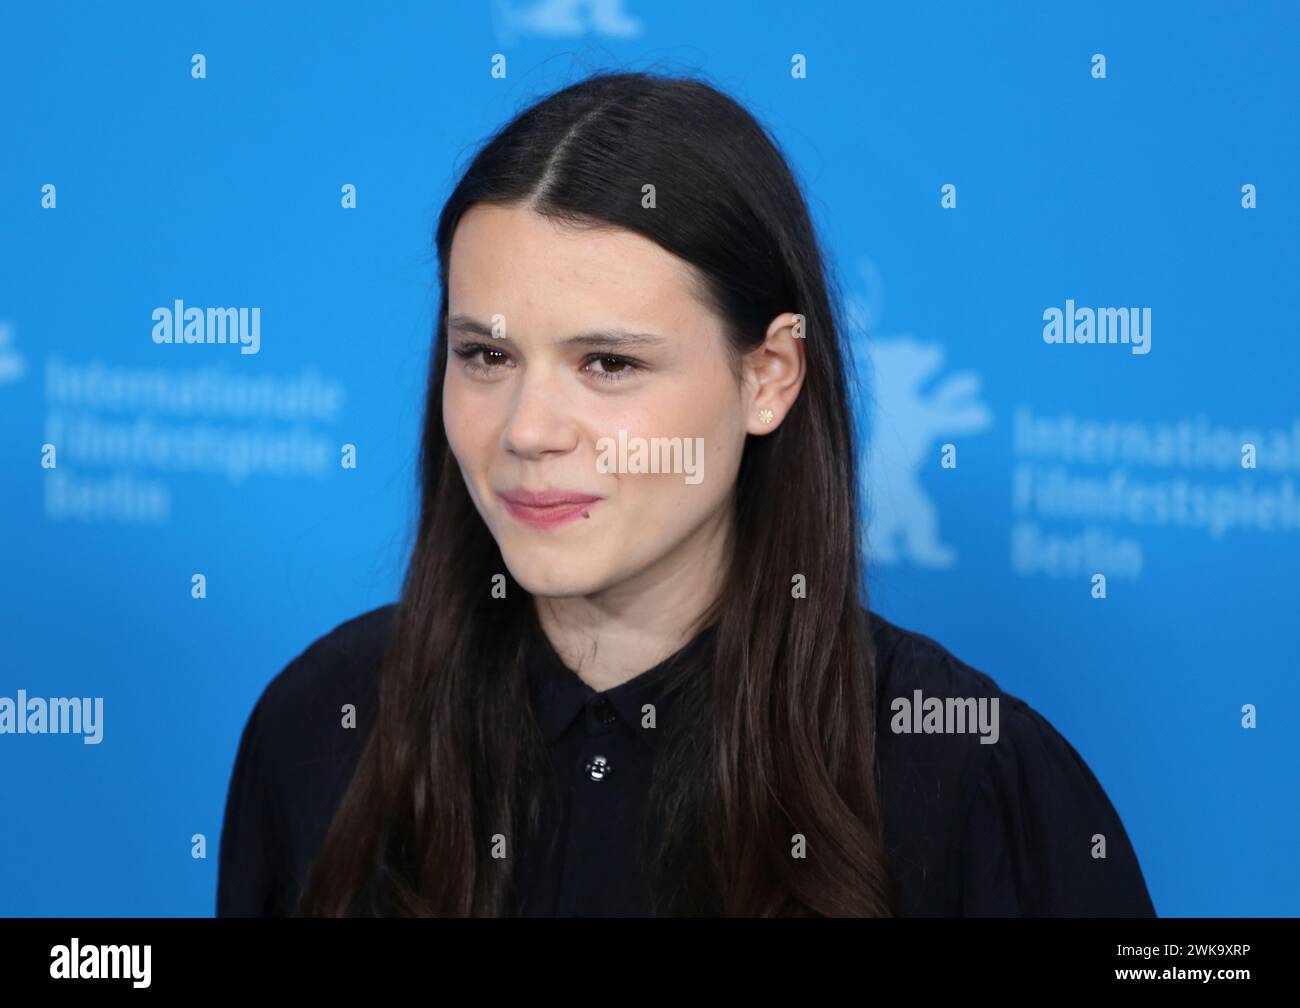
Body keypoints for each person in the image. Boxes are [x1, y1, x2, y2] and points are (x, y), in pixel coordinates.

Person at [217, 70, 1155, 918]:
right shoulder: (324, 728)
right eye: (487, 355)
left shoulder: (968, 779)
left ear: (769, 375)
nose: (529, 429)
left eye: (610, 362)